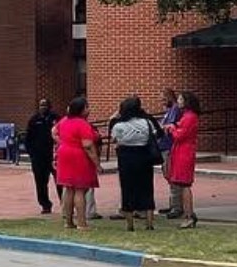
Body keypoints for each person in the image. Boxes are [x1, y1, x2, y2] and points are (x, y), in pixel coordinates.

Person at [110, 95, 160, 231]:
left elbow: (115, 140)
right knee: (147, 188)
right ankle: (149, 223)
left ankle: (130, 224)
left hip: (126, 157)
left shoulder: (119, 125)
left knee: (127, 189)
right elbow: (154, 135)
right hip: (144, 157)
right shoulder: (147, 122)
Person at [54, 96, 101, 231]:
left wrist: (63, 143)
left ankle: (68, 222)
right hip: (78, 155)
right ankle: (82, 223)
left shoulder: (64, 121)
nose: (89, 110)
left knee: (69, 188)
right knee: (80, 189)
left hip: (64, 153)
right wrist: (97, 163)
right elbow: (88, 146)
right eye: (87, 107)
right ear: (81, 109)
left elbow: (54, 132)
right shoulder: (82, 124)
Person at [165, 90, 201, 228]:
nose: (178, 101)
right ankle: (188, 213)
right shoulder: (186, 116)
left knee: (184, 184)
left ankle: (189, 215)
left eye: (180, 99)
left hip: (184, 153)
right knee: (181, 184)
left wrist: (172, 129)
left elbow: (180, 135)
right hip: (181, 151)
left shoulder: (190, 117)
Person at [25, 98, 59, 214]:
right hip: (38, 157)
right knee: (40, 182)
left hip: (53, 155)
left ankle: (65, 203)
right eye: (41, 105)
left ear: (50, 106)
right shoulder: (34, 120)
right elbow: (28, 138)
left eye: (45, 105)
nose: (43, 107)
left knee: (60, 181)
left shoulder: (56, 118)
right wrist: (32, 154)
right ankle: (45, 205)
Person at [157, 87, 184, 218]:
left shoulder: (175, 110)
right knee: (168, 176)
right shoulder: (169, 111)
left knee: (172, 176)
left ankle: (177, 207)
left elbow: (171, 127)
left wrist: (160, 127)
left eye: (163, 99)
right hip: (163, 147)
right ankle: (173, 204)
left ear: (169, 97)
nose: (161, 102)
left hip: (170, 147)